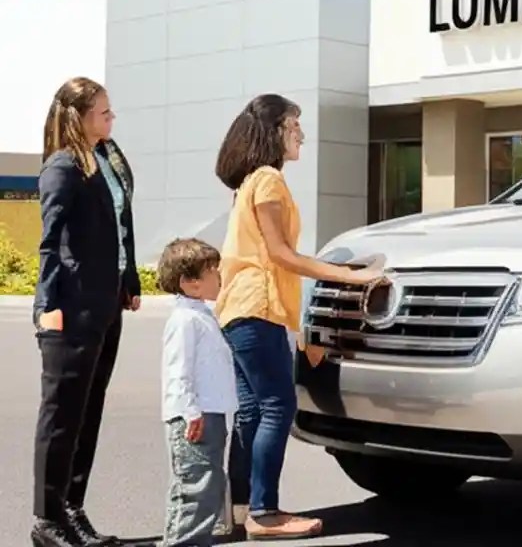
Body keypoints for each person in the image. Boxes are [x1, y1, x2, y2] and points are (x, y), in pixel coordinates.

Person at [213, 94, 381, 540]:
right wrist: (351, 276)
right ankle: (266, 514)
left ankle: (242, 510)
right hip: (258, 307)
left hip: (238, 309)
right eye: (293, 125)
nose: (301, 134)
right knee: (277, 406)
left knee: (252, 413)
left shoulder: (248, 181)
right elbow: (281, 254)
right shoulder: (268, 180)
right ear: (274, 131)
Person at [32, 77, 146, 547]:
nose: (111, 118)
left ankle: (72, 510)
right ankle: (47, 520)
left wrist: (129, 279)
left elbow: (122, 223)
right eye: (103, 112)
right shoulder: (62, 166)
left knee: (87, 412)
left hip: (105, 301)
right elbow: (49, 242)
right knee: (61, 416)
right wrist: (47, 305)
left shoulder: (106, 158)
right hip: (71, 306)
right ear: (78, 117)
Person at [156, 238, 237, 547]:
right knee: (195, 486)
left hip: (210, 413)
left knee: (208, 484)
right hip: (194, 418)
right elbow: (179, 370)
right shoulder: (185, 320)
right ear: (190, 283)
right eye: (212, 271)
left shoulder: (201, 313)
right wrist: (190, 411)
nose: (220, 276)